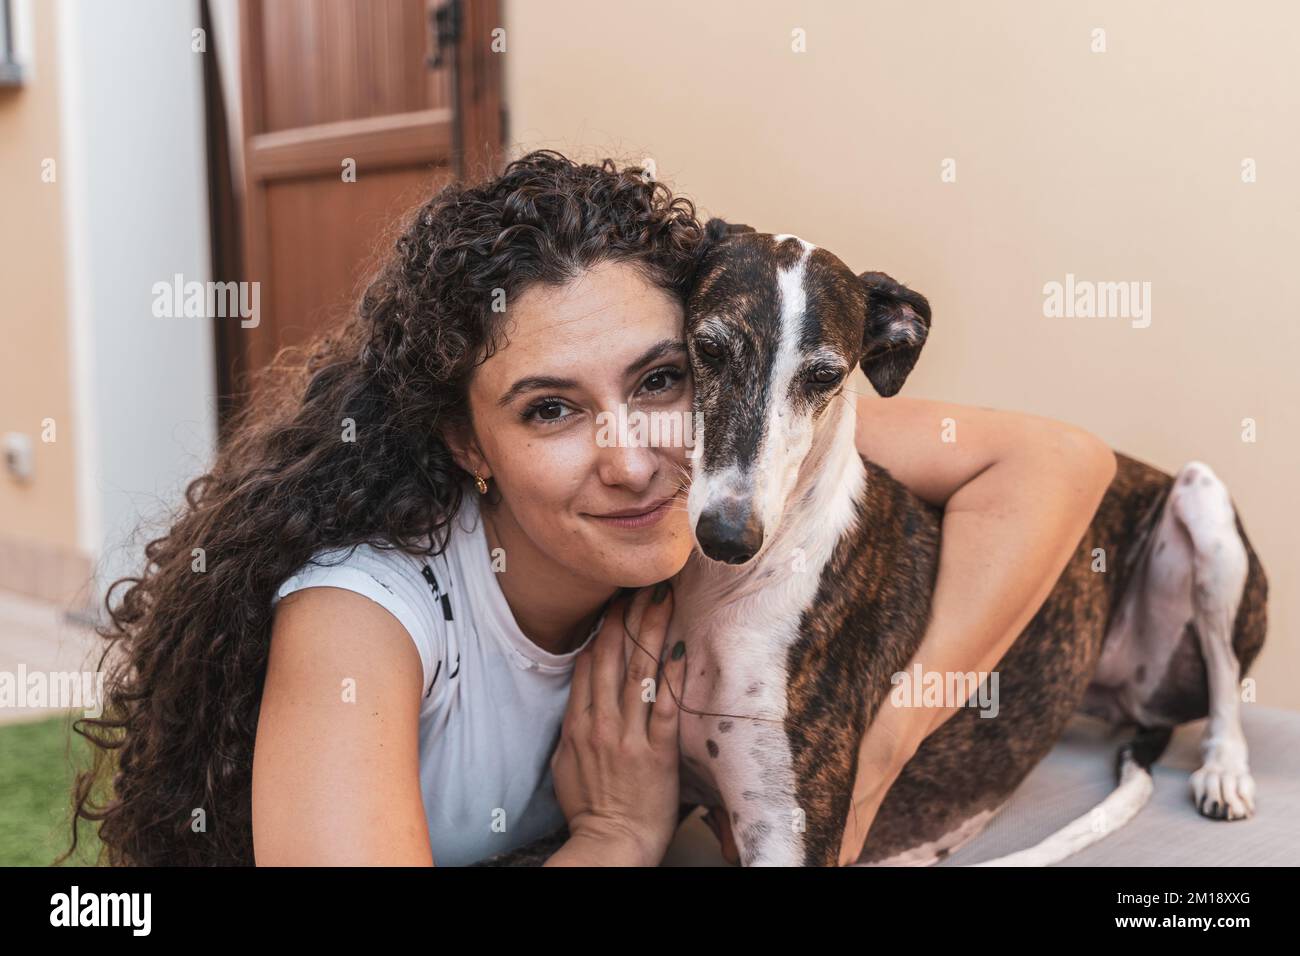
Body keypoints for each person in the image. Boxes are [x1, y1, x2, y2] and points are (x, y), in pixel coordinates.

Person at [68, 150, 1115, 866]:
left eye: (663, 378)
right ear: (465, 442)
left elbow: (1058, 460)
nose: (632, 459)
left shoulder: (739, 444)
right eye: (551, 408)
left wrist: (891, 732)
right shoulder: (364, 617)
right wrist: (612, 838)